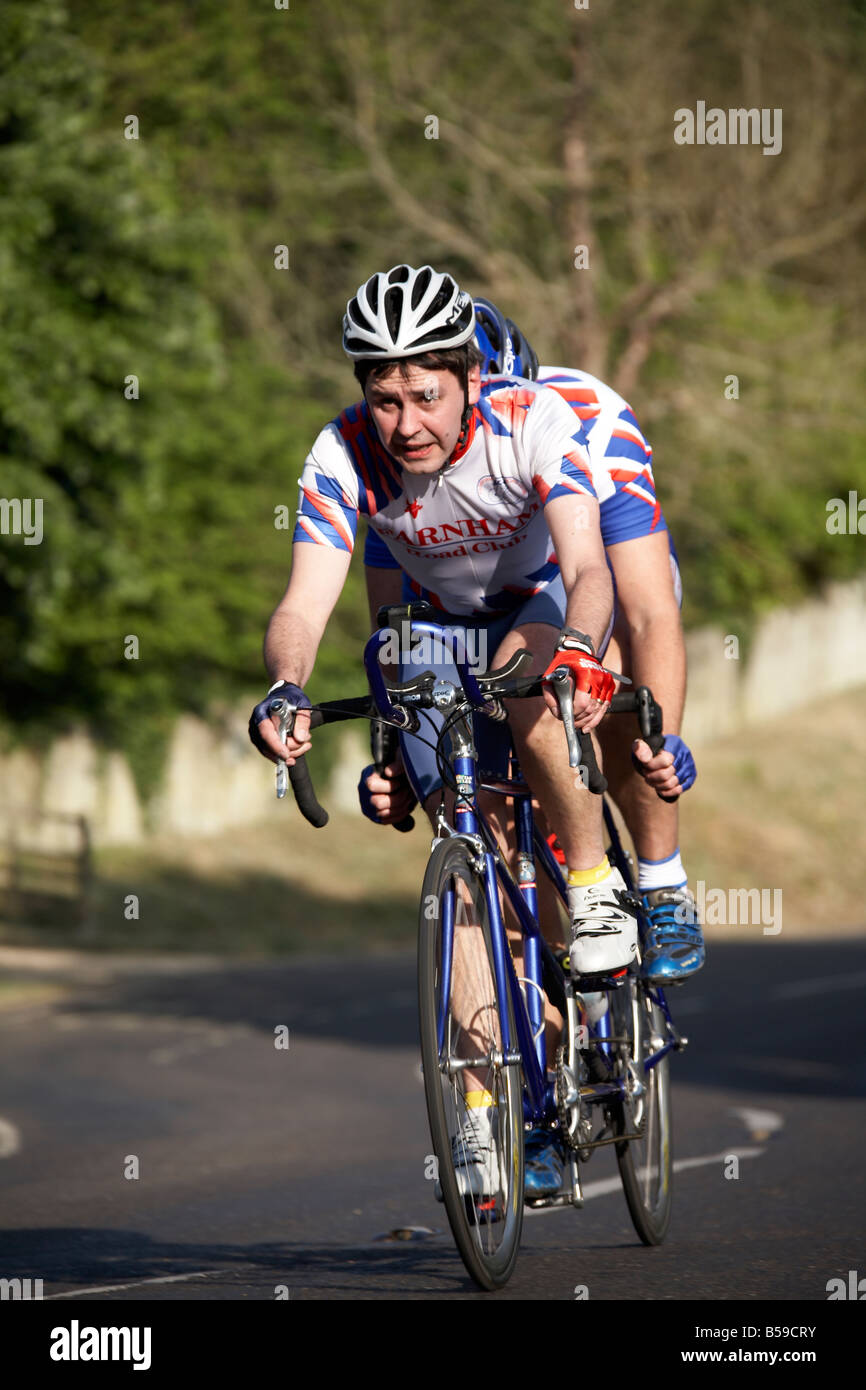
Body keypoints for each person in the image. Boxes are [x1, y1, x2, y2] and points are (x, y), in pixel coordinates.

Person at [250, 263, 642, 1201]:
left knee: (526, 677)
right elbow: (306, 602)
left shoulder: (527, 421)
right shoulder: (344, 451)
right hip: (433, 631)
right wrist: (284, 687)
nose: (406, 422)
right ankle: (479, 1114)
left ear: (470, 378)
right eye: (384, 399)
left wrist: (586, 648)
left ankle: (592, 891)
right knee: (468, 862)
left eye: (426, 394)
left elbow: (589, 566)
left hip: (537, 606)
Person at [361, 294, 706, 1197]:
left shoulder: (581, 424)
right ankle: (536, 1078)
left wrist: (657, 732)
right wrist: (400, 754)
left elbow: (644, 604)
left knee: (618, 686)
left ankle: (658, 888)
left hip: (578, 586)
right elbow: (393, 611)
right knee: (494, 844)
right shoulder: (404, 459)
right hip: (476, 617)